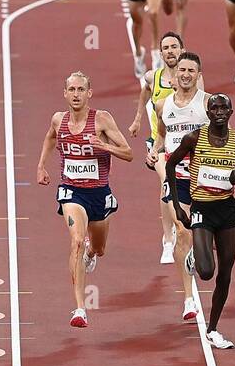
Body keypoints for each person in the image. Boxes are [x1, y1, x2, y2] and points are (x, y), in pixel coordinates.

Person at [37, 71, 134, 328]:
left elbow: (128, 152)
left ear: (89, 93)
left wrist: (105, 147)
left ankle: (92, 252)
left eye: (81, 89)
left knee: (98, 248)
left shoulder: (102, 119)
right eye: (72, 90)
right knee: (77, 241)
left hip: (99, 194)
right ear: (65, 93)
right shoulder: (59, 120)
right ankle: (80, 308)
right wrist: (41, 166)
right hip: (71, 191)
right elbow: (50, 137)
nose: (76, 94)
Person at [167, 93, 235, 349]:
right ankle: (194, 256)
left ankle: (213, 328)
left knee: (225, 274)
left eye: (223, 108)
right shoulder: (194, 138)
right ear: (208, 112)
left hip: (226, 210)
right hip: (201, 208)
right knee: (206, 272)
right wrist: (176, 205)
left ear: (230, 111)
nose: (218, 112)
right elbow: (171, 165)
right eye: (214, 108)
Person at [149, 50, 208, 321]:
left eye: (191, 71)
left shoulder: (207, 104)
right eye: (181, 70)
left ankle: (201, 253)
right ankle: (188, 299)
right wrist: (157, 150)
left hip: (206, 180)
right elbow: (161, 133)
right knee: (182, 231)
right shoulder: (164, 106)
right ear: (176, 74)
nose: (185, 75)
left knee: (205, 238)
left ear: (198, 75)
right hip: (178, 181)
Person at [128, 31, 191, 264]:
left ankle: (194, 228)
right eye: (166, 47)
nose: (170, 51)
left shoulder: (190, 77)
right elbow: (145, 92)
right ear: (161, 52)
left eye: (174, 47)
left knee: (192, 187)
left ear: (182, 50)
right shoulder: (153, 77)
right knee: (168, 182)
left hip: (188, 145)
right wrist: (137, 119)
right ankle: (168, 239)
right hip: (161, 143)